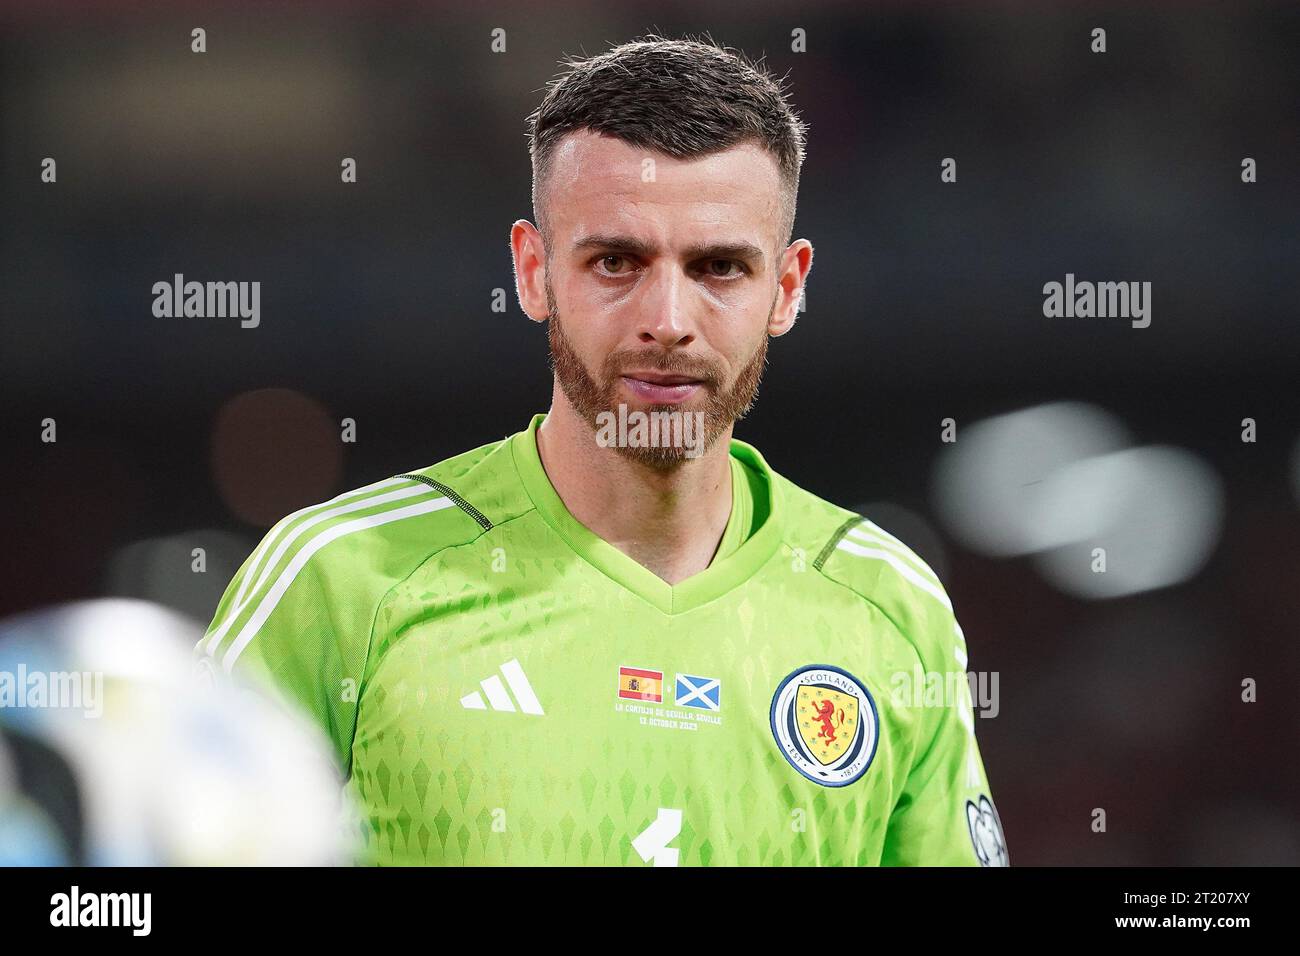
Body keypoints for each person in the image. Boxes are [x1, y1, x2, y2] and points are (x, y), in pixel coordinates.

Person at [197, 34, 1006, 866]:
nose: (668, 318)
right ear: (534, 270)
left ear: (787, 288)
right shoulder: (340, 578)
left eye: (720, 267)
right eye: (617, 260)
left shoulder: (887, 606)